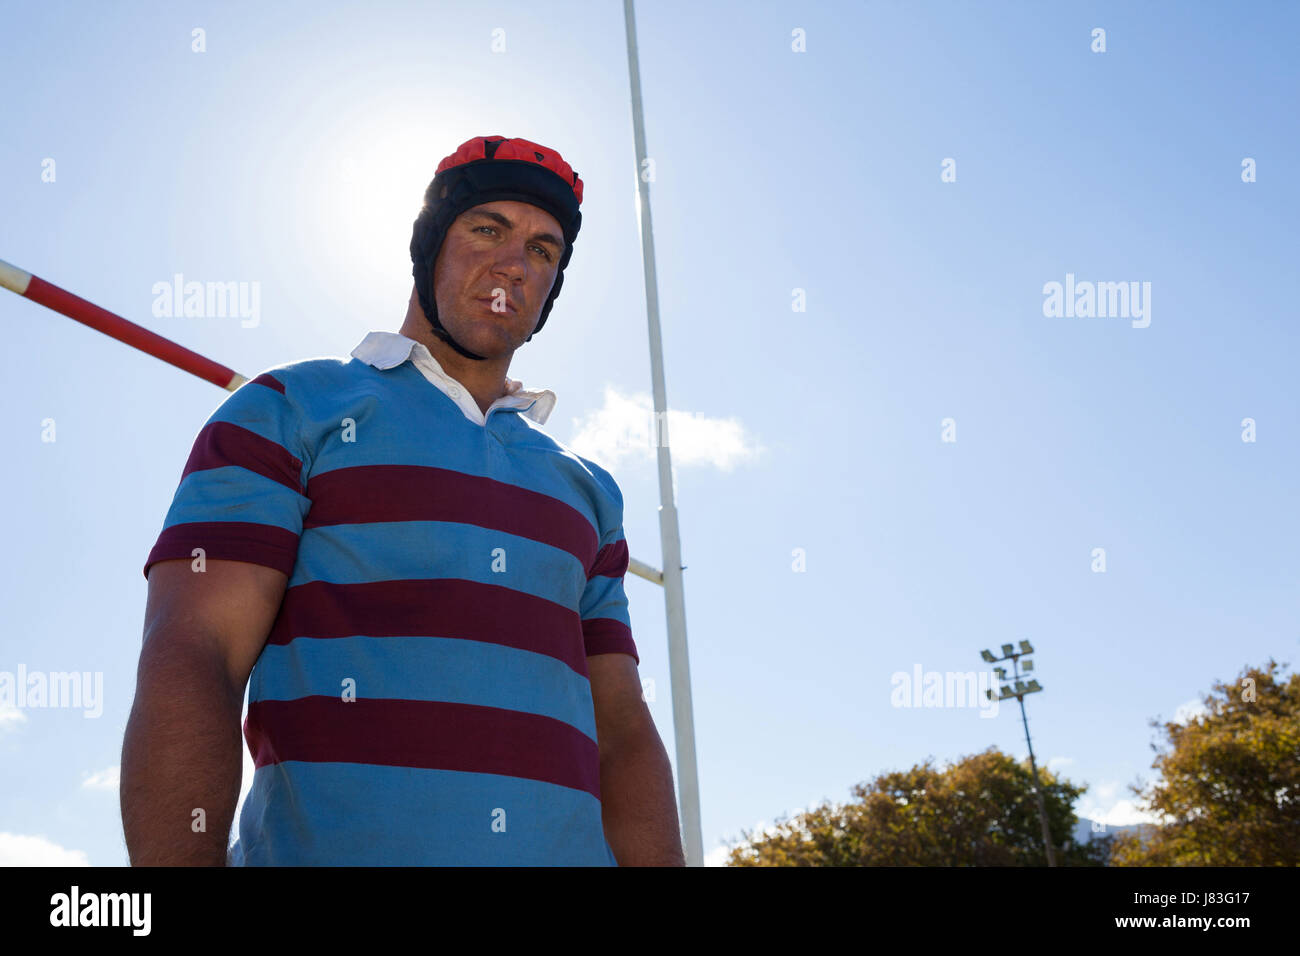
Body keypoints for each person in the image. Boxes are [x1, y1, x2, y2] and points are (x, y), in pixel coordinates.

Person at [120, 135, 685, 866]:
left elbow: (624, 728)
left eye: (544, 250)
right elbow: (195, 653)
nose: (516, 261)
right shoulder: (289, 409)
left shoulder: (588, 490)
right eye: (488, 229)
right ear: (427, 247)